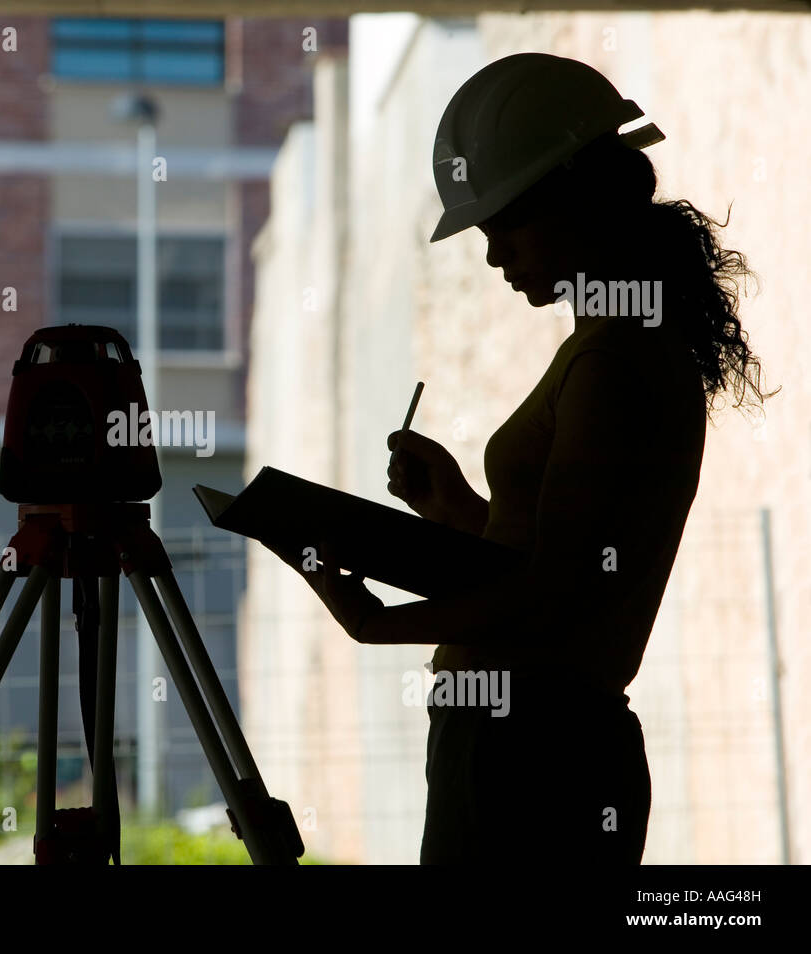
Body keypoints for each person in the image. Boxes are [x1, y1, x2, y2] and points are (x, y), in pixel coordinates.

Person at [271, 52, 776, 864]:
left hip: (530, 756)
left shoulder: (614, 360)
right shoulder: (616, 348)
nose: (495, 254)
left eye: (508, 222)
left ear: (578, 200)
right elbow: (558, 557)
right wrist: (458, 509)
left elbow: (555, 595)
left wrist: (375, 623)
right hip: (536, 745)